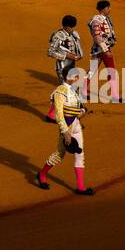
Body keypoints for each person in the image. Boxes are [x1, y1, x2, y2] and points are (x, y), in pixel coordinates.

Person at [38, 66, 95, 194]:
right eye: (75, 76)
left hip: (76, 125)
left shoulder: (74, 90)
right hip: (67, 127)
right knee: (59, 154)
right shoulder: (60, 92)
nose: (77, 78)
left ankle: (80, 188)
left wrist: (82, 112)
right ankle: (42, 174)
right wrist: (65, 133)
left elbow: (79, 107)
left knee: (80, 154)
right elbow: (58, 114)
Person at [45, 15, 84, 122]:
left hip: (71, 66)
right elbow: (50, 52)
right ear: (66, 27)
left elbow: (77, 48)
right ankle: (53, 115)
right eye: (72, 27)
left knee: (72, 88)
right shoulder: (58, 36)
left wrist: (78, 55)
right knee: (65, 91)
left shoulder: (74, 34)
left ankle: (77, 108)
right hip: (62, 67)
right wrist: (66, 55)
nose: (73, 29)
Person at [88, 0, 121, 103]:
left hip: (103, 48)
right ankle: (115, 95)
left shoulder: (106, 19)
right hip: (100, 49)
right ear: (103, 9)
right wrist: (106, 50)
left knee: (93, 71)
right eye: (108, 7)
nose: (109, 9)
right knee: (110, 70)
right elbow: (97, 37)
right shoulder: (96, 20)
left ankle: (83, 90)